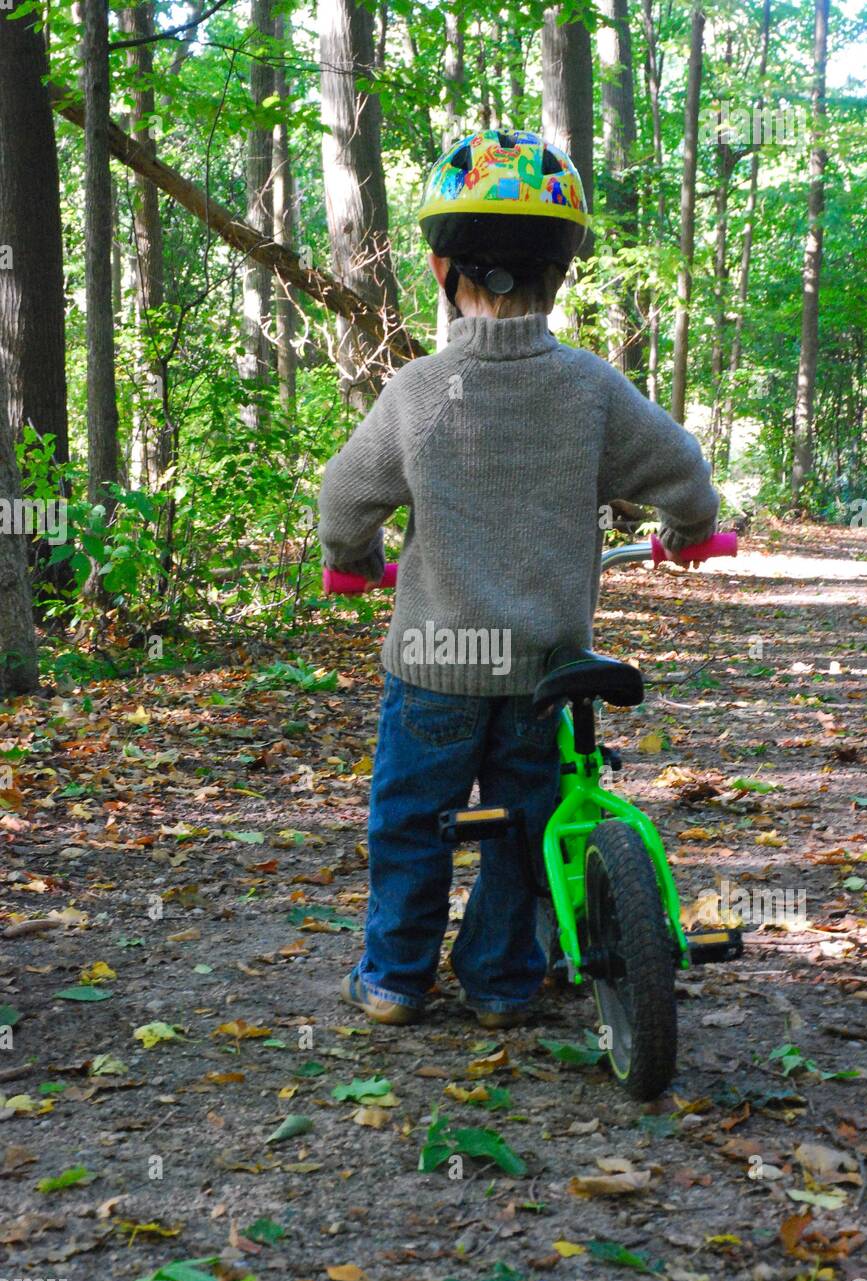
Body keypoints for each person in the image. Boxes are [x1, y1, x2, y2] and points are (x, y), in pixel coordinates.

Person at [318, 129, 719, 1029]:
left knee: (412, 821)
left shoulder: (418, 391)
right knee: (526, 825)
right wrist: (689, 531)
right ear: (560, 275)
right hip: (543, 667)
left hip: (431, 663)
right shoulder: (589, 389)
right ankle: (501, 982)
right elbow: (682, 471)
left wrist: (356, 564)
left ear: (437, 268)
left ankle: (393, 977)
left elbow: (345, 497)